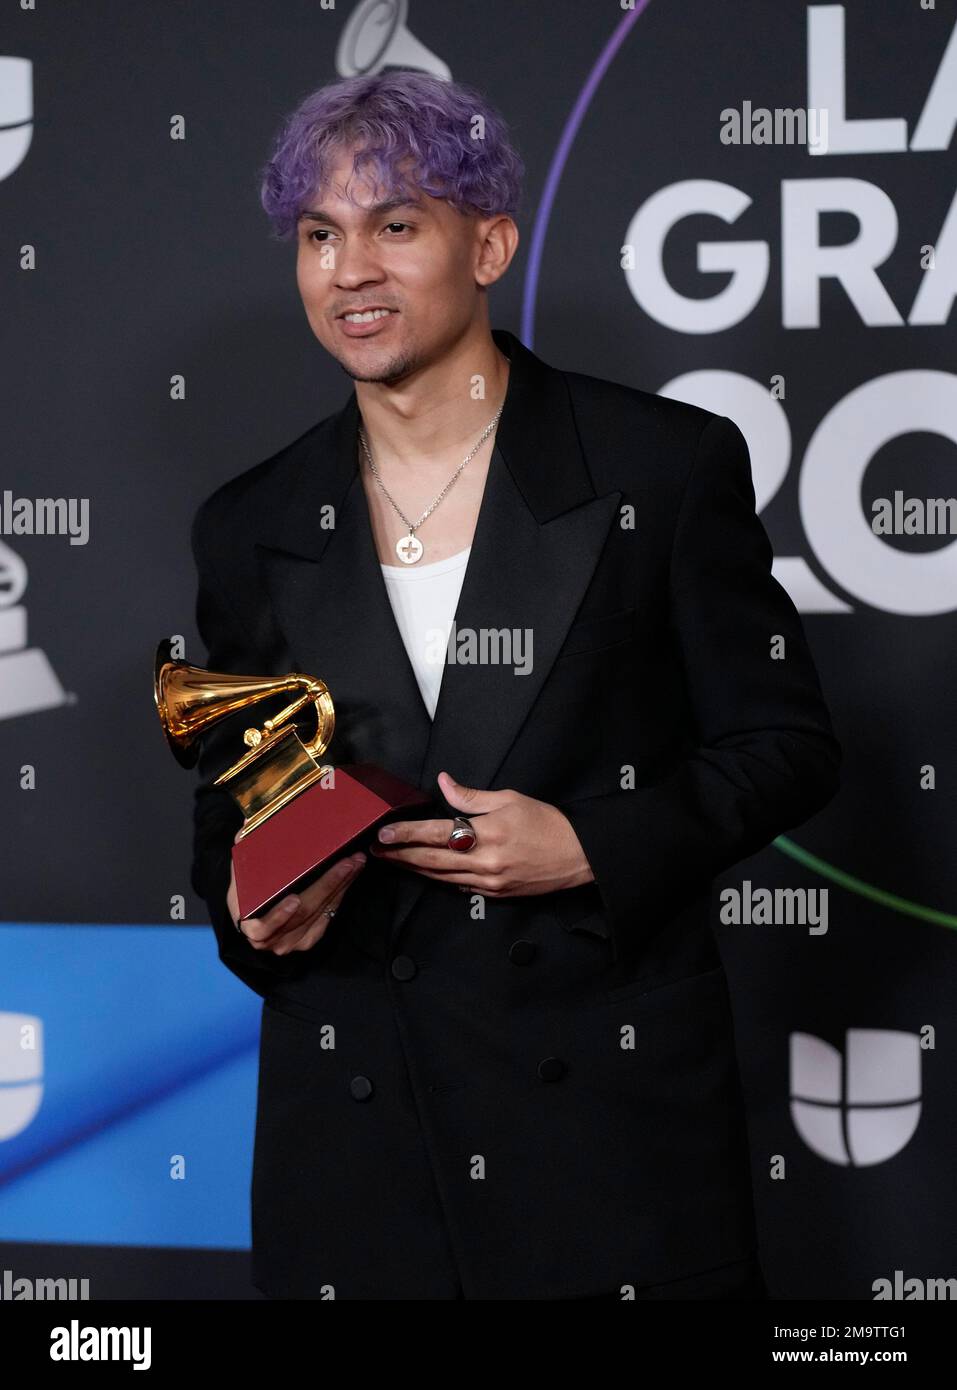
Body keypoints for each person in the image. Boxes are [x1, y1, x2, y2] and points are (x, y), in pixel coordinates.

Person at [188, 70, 841, 1300]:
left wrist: (592, 841)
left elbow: (787, 741)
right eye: (319, 235)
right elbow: (227, 818)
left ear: (488, 243)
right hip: (359, 1145)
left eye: (394, 224)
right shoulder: (250, 522)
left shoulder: (663, 463)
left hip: (606, 1137)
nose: (349, 271)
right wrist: (257, 906)